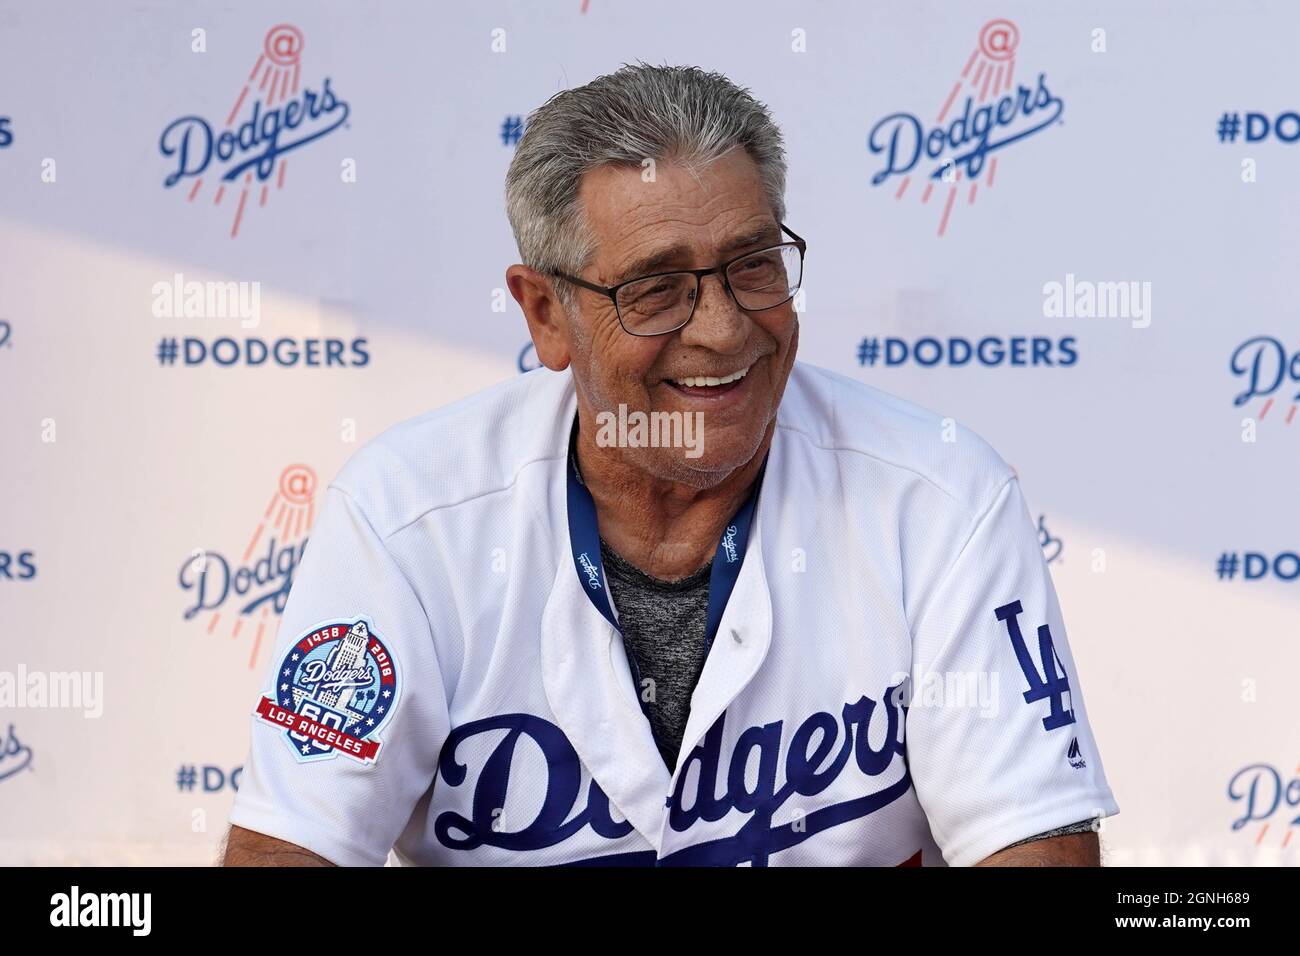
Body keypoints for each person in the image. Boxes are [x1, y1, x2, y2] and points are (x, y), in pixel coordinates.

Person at [223, 63, 1117, 867]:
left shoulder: (941, 499)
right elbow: (295, 849)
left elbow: (1031, 849)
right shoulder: (408, 517)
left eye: (754, 267)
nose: (724, 330)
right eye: (656, 288)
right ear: (544, 315)